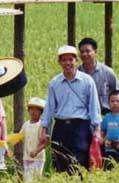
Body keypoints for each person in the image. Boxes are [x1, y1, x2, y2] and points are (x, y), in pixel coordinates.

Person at [39, 45, 102, 174]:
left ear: (76, 60)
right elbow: (49, 108)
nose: (67, 63)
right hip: (61, 127)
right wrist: (44, 129)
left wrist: (97, 129)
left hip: (81, 127)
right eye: (64, 60)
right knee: (60, 162)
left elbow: (94, 106)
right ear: (59, 62)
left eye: (70, 59)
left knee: (80, 162)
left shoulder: (87, 81)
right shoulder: (54, 83)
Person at [6, 97, 46, 183]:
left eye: (37, 110)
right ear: (28, 110)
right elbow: (19, 136)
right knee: (27, 180)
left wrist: (36, 151)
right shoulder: (26, 124)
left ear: (41, 112)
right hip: (27, 157)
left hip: (38, 158)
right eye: (31, 109)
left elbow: (45, 142)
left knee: (34, 180)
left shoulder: (41, 125)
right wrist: (7, 142)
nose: (33, 112)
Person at [78, 37, 119, 114]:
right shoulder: (77, 73)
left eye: (88, 51)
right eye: (82, 52)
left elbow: (117, 94)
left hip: (105, 114)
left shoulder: (107, 72)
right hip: (83, 116)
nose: (84, 54)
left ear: (95, 51)